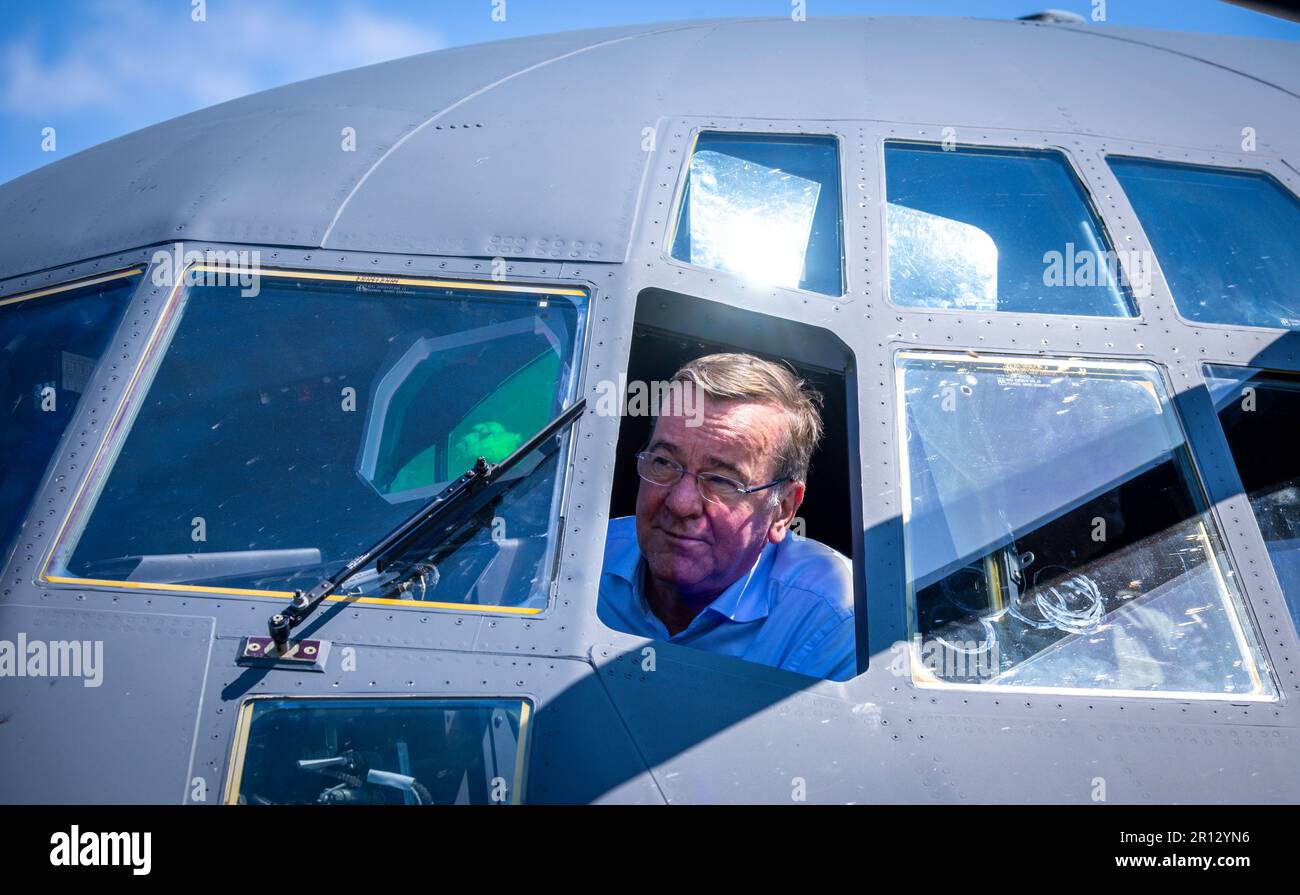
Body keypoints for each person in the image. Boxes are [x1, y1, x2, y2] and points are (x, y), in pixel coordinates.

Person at [598, 352, 856, 680]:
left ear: (784, 509)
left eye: (721, 481)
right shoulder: (578, 562)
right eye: (663, 462)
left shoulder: (832, 620)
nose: (680, 503)